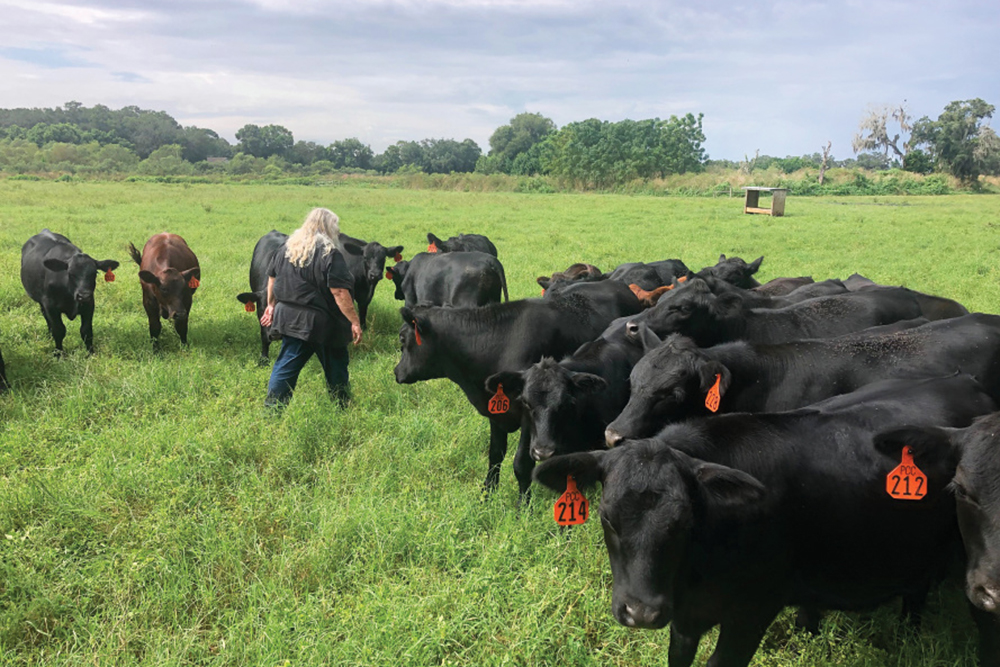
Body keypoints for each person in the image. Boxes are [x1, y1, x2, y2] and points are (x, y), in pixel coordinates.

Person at [260, 208, 362, 408]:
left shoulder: (286, 249)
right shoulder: (331, 254)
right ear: (329, 229)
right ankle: (341, 405)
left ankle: (272, 409)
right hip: (324, 323)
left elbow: (272, 279)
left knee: (285, 365)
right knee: (336, 365)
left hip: (289, 318)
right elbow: (340, 292)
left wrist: (270, 305)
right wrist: (354, 321)